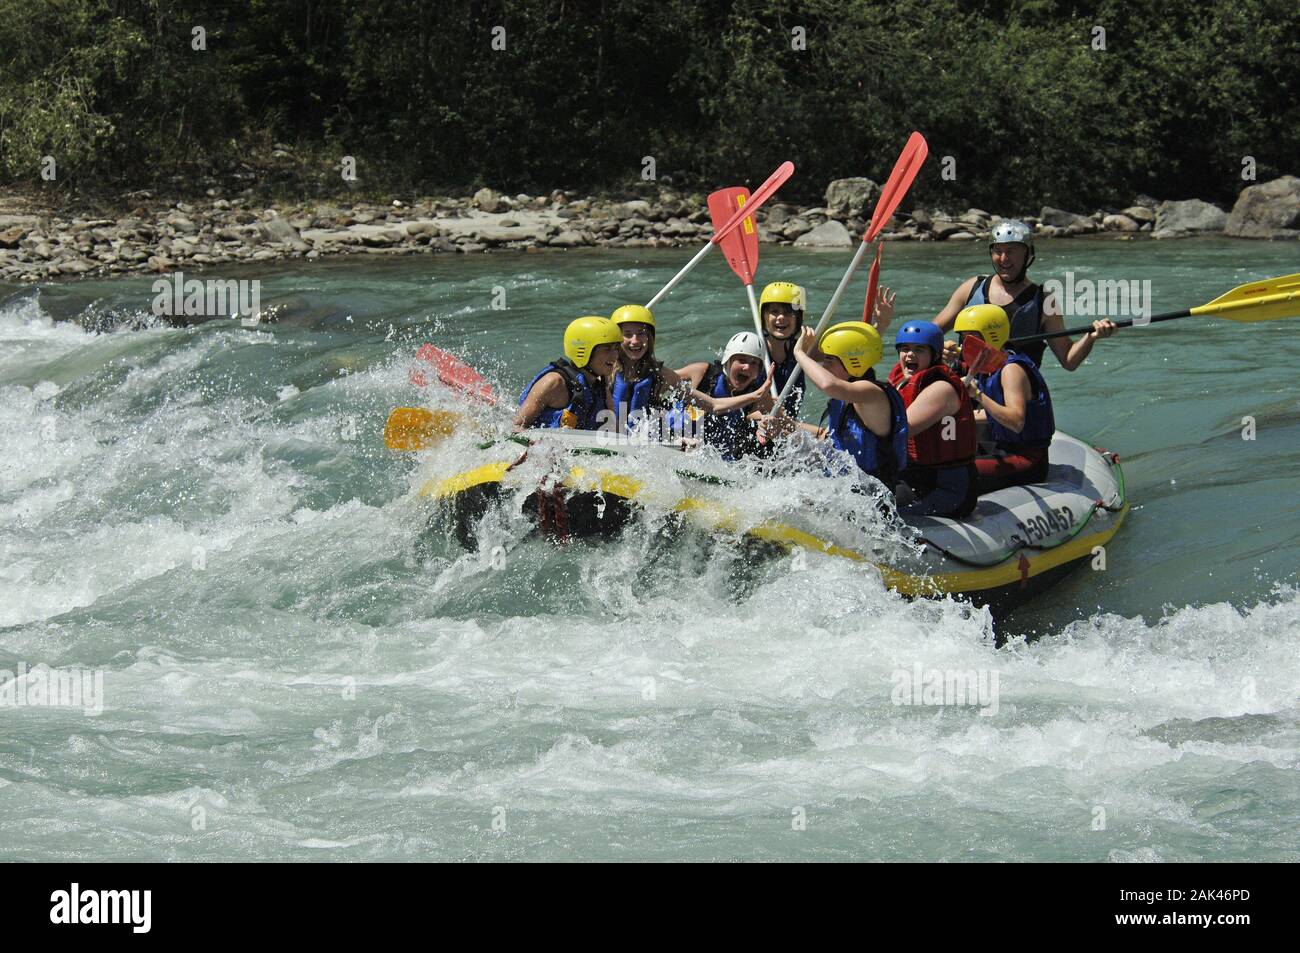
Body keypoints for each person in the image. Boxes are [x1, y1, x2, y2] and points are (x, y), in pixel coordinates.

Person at [933, 219, 1116, 370]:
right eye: (998, 251)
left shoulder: (1044, 301)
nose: (1004, 259)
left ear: (1028, 254)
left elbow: (1068, 360)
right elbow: (929, 333)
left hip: (1014, 394)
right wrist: (942, 348)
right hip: (968, 389)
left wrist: (1091, 338)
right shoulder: (972, 287)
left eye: (1011, 251)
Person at [776, 321, 908, 484]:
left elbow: (828, 385)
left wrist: (799, 353)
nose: (824, 365)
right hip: (845, 486)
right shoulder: (847, 395)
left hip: (876, 493)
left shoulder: (872, 394)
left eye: (830, 360)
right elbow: (830, 437)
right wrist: (785, 424)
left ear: (853, 362)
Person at [953, 304, 1056, 493]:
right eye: (962, 337)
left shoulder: (1011, 371)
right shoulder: (989, 364)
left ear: (992, 336)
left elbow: (1016, 421)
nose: (964, 345)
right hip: (1002, 446)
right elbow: (996, 413)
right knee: (947, 458)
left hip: (1027, 458)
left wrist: (977, 395)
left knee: (958, 473)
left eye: (971, 337)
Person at [759, 280, 897, 413]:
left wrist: (881, 324)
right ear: (763, 316)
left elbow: (851, 354)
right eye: (774, 311)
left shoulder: (804, 349)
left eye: (788, 312)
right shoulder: (752, 348)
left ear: (798, 317)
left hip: (786, 429)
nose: (781, 317)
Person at [886, 321, 978, 517]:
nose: (910, 355)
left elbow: (901, 429)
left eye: (919, 350)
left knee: (880, 510)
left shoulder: (941, 388)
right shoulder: (901, 381)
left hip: (946, 488)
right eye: (905, 349)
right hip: (914, 478)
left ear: (934, 355)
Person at [514, 316, 621, 430]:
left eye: (616, 348)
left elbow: (617, 435)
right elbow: (516, 426)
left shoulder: (601, 390)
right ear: (585, 350)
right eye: (607, 349)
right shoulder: (554, 382)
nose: (615, 356)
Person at [685, 331, 775, 459]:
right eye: (741, 360)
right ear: (727, 361)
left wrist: (768, 426)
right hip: (678, 441)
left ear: (758, 371)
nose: (747, 367)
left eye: (754, 363)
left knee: (763, 444)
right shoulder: (702, 373)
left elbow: (785, 427)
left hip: (718, 460)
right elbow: (663, 382)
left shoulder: (761, 397)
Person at [608, 304, 695, 434]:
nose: (635, 341)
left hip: (644, 444)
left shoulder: (661, 375)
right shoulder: (605, 371)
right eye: (627, 334)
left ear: (650, 338)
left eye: (641, 333)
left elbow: (712, 404)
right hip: (606, 439)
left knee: (683, 415)